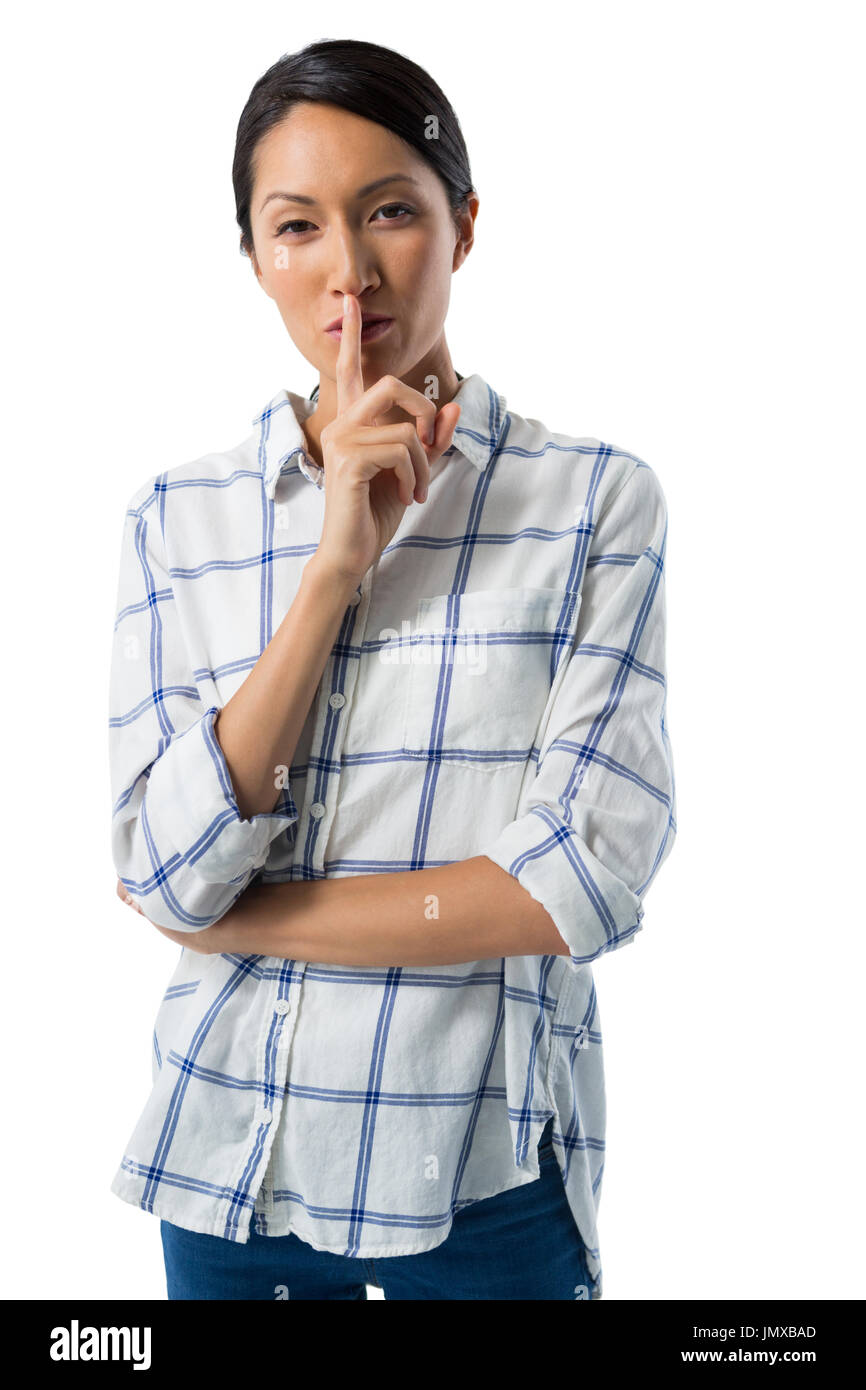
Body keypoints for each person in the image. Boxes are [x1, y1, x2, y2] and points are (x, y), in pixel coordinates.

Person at [109, 38, 677, 1301]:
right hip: (224, 1173)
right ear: (253, 254)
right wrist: (329, 576)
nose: (347, 275)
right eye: (296, 226)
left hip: (473, 1186)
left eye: (390, 213)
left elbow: (584, 872)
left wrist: (251, 921)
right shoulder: (178, 516)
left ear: (462, 226)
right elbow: (159, 860)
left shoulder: (588, 502)